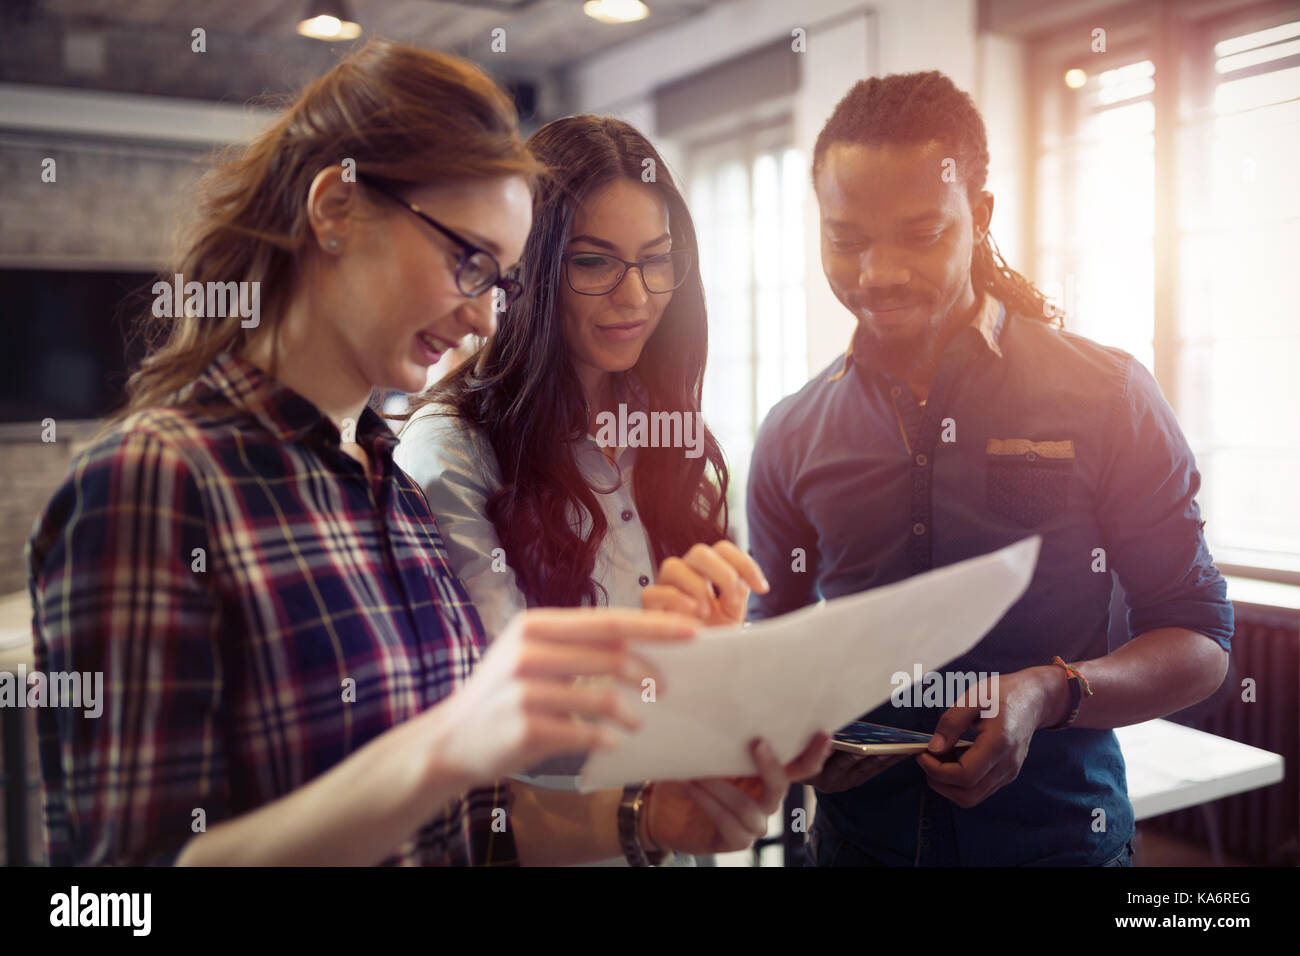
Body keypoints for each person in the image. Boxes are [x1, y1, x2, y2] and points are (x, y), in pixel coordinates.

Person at [25, 41, 827, 867]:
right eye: (468, 261)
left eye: (500, 280)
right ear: (336, 207)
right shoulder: (154, 484)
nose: (484, 319)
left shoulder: (390, 493)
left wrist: (650, 822)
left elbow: (473, 826)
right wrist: (444, 749)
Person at [746, 71, 1233, 866]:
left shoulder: (1105, 395)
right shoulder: (793, 432)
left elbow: (1201, 640)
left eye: (919, 233)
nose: (878, 272)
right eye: (846, 240)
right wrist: (786, 714)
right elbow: (777, 638)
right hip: (854, 850)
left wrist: (1051, 692)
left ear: (979, 216)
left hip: (1058, 847)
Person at [394, 115, 769, 865]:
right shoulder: (452, 451)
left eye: (658, 261)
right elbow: (501, 714)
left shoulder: (666, 432)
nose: (636, 295)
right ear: (525, 272)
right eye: (595, 264)